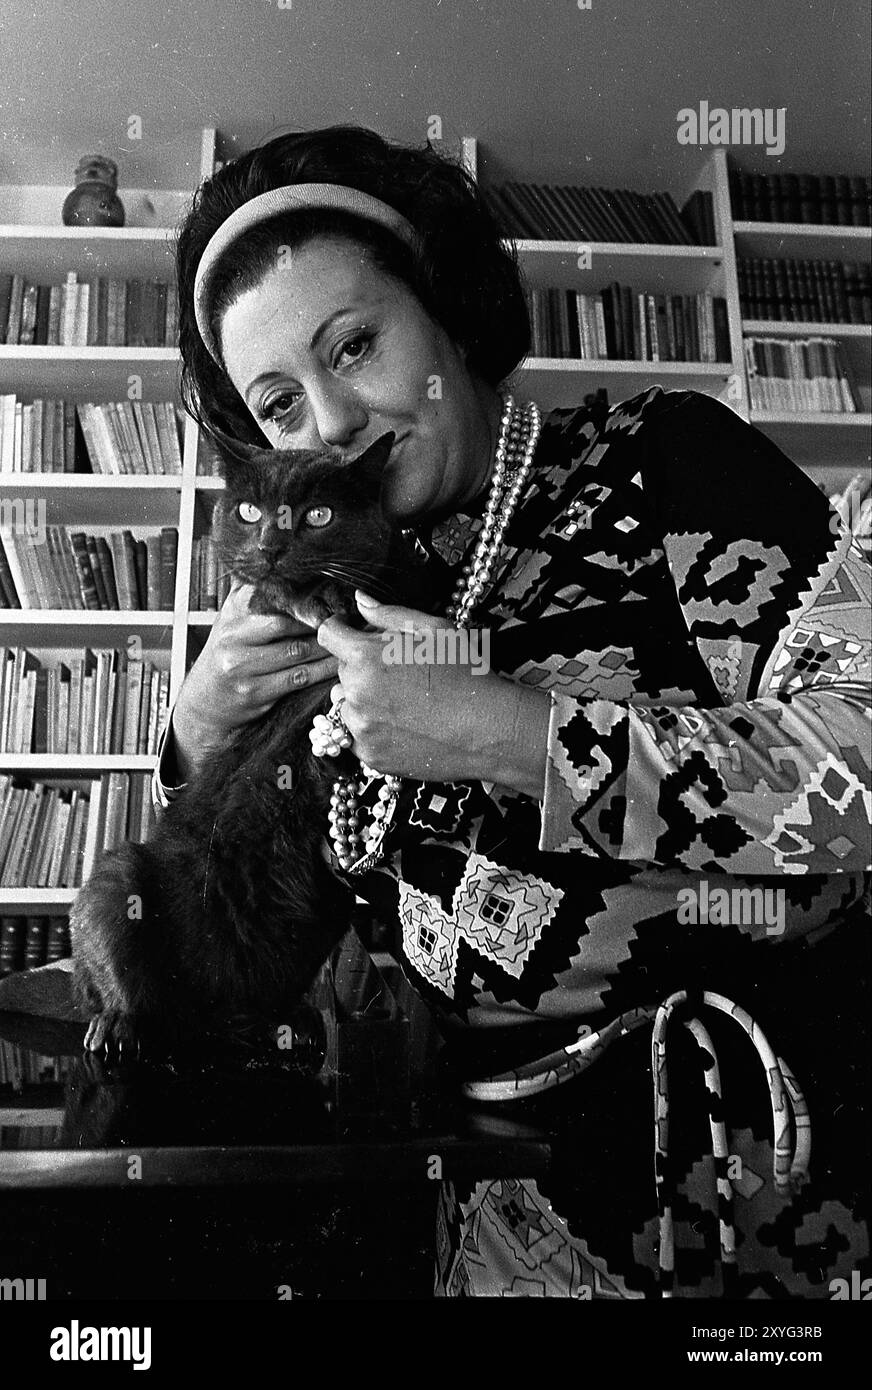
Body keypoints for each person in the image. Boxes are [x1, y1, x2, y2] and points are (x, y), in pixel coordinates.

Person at [155, 124, 870, 1298]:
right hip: (491, 1233)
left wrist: (514, 734)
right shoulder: (338, 603)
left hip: (765, 1189)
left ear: (448, 312)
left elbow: (858, 773)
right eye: (279, 402)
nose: (330, 422)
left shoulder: (666, 462)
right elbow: (259, 946)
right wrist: (200, 741)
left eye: (357, 346)